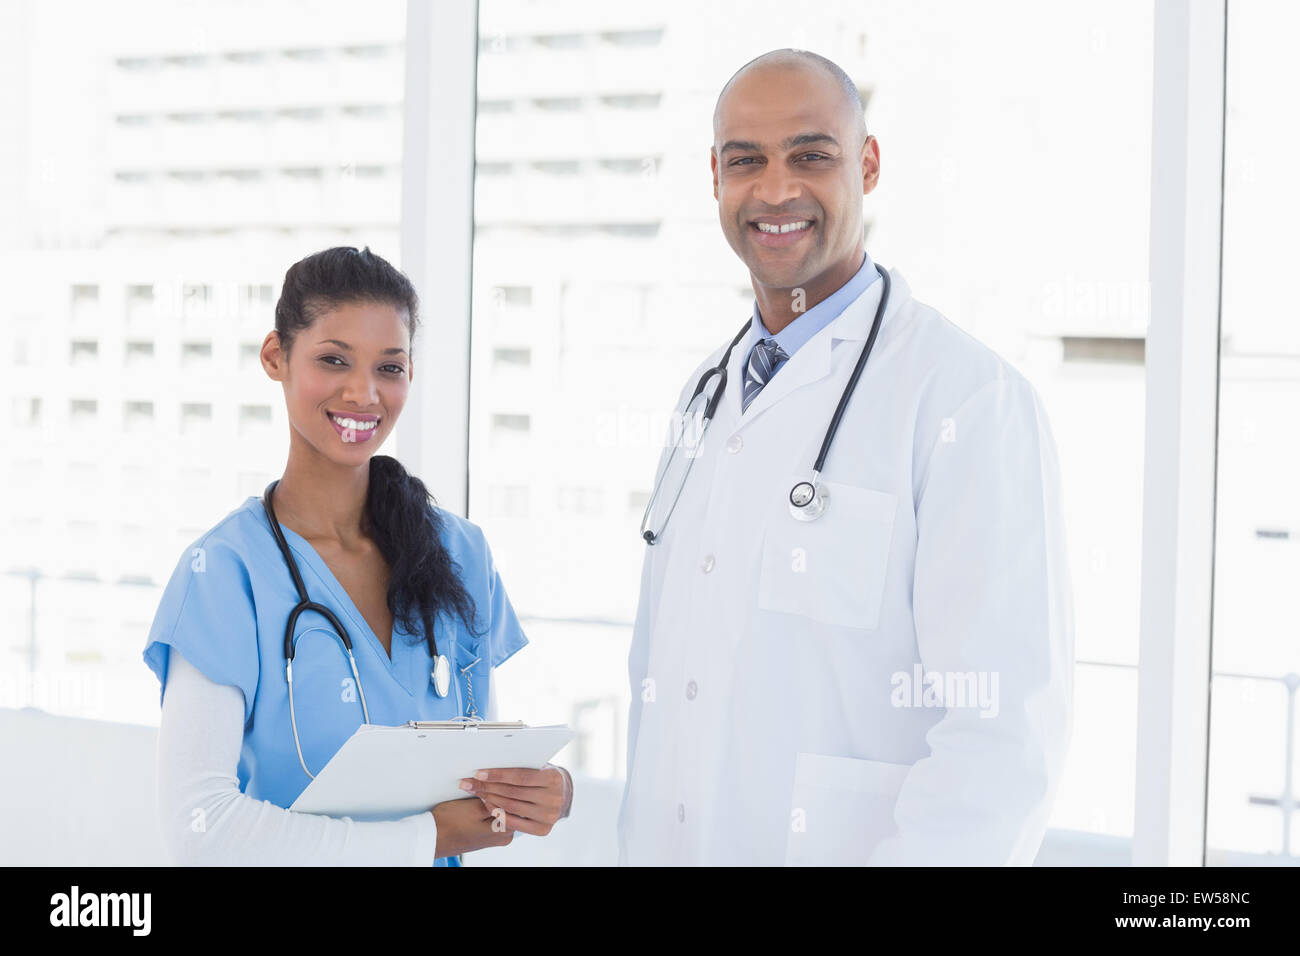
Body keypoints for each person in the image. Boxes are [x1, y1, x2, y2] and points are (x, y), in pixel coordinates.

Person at [618, 49, 1073, 865]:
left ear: (866, 164)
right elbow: (663, 681)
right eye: (744, 160)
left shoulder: (965, 400)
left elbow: (1002, 739)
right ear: (714, 177)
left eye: (811, 155)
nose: (776, 189)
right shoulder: (705, 392)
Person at [143, 246, 572, 866]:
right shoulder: (225, 573)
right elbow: (200, 829)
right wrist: (431, 837)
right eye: (333, 360)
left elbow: (481, 776)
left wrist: (545, 793)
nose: (363, 393)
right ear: (275, 357)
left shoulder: (460, 553)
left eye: (389, 368)